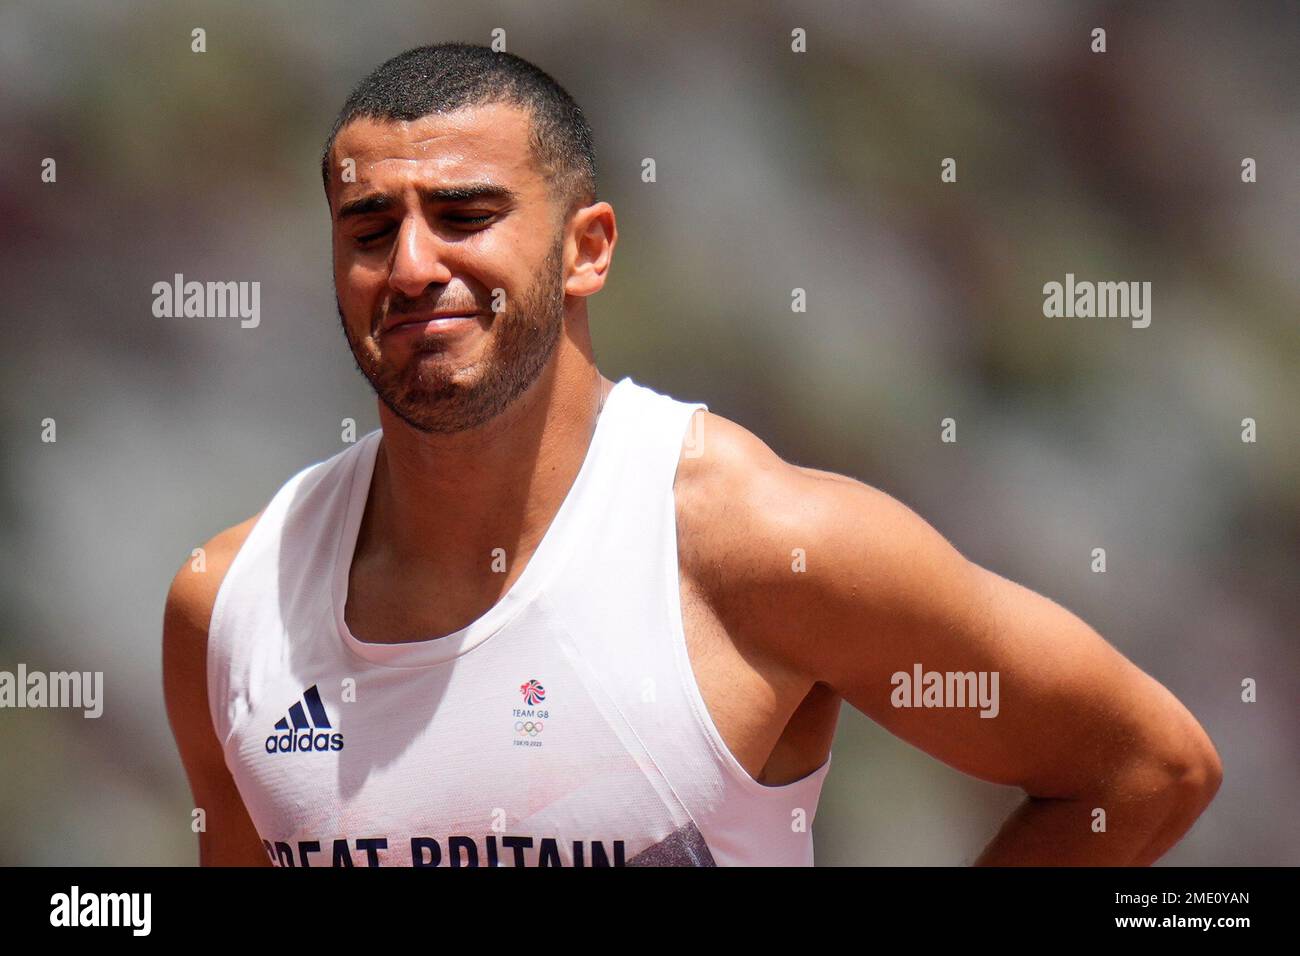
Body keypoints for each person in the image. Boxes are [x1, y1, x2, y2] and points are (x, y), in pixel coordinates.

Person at [162, 43, 1221, 867]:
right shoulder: (229, 604)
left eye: (465, 214)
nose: (411, 264)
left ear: (588, 248)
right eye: (367, 228)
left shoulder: (763, 543)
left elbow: (1145, 768)